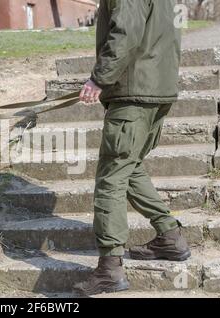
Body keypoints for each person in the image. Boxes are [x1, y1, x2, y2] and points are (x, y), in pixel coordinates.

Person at [75, 0, 191, 296]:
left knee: (111, 177)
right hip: (156, 90)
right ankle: (169, 234)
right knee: (129, 166)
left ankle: (109, 269)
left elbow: (126, 32)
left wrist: (100, 78)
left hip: (134, 93)